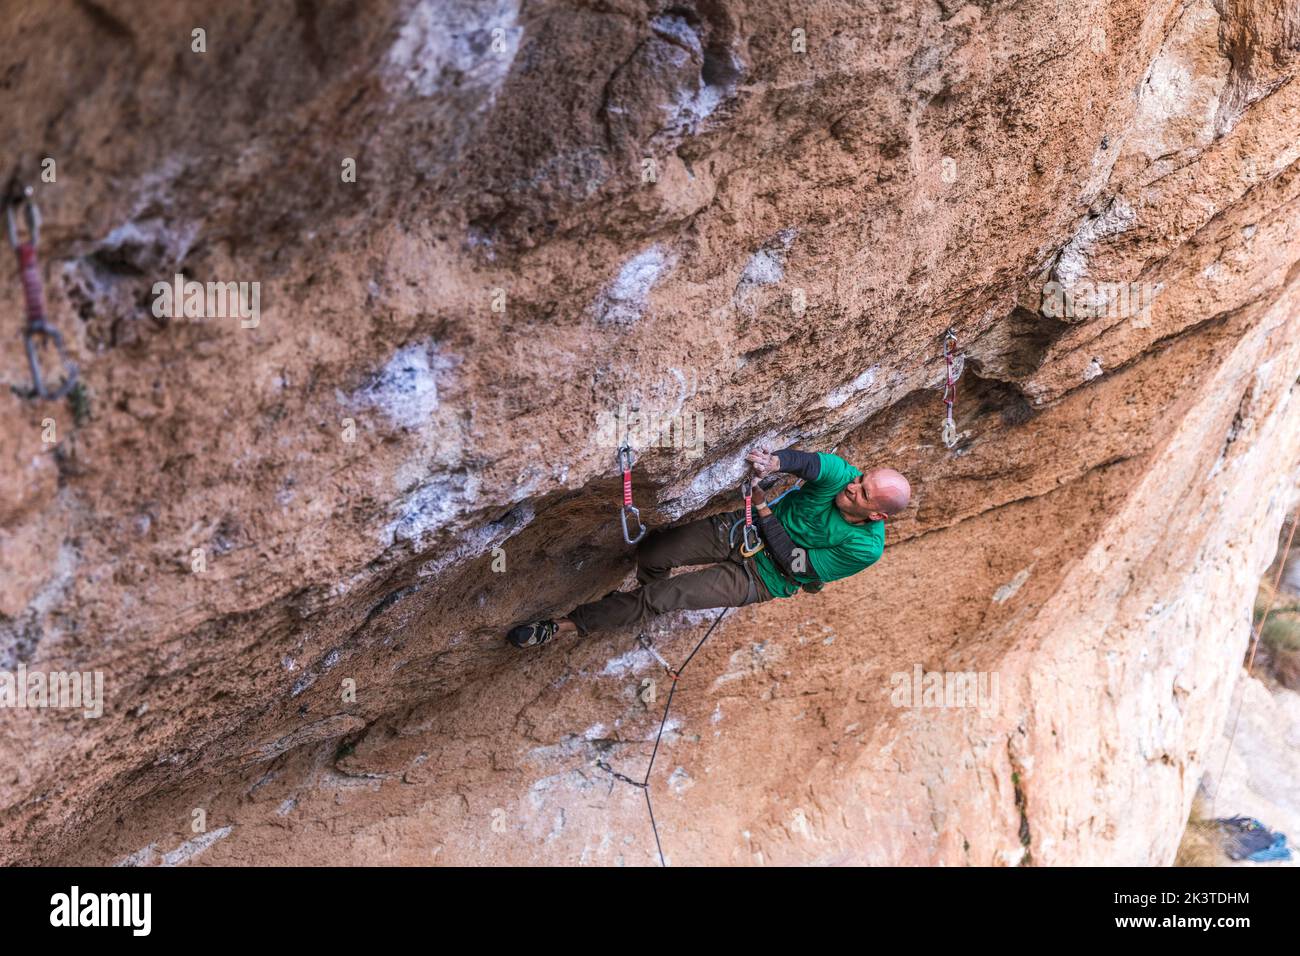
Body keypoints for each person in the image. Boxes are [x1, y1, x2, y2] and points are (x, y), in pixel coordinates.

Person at [506, 446, 911, 647]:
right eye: (862, 480)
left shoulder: (864, 548)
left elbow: (797, 563)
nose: (852, 487)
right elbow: (810, 464)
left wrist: (766, 511)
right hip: (743, 529)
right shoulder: (845, 478)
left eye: (862, 494)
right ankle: (634, 601)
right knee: (651, 553)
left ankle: (565, 625)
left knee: (667, 597)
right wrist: (775, 464)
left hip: (761, 577)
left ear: (877, 516)